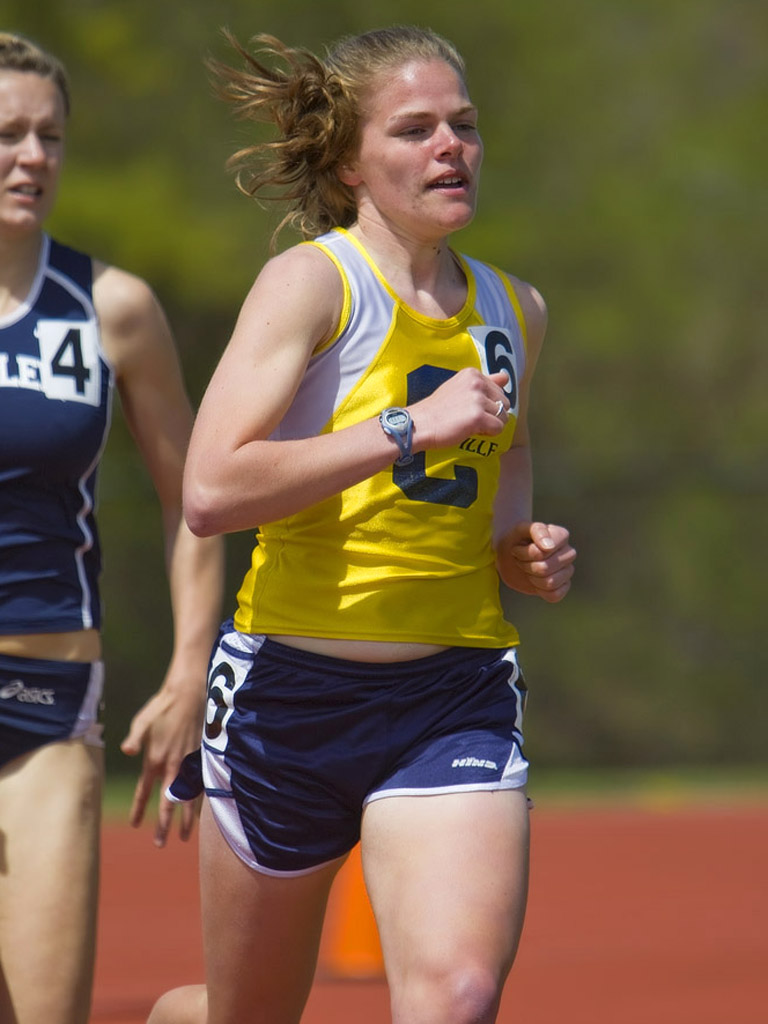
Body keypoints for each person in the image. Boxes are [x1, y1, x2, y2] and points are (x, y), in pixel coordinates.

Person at [149, 25, 576, 1024]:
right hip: (285, 699)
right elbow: (210, 490)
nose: (451, 148)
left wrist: (519, 549)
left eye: (463, 126)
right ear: (351, 162)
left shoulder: (517, 309)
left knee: (457, 993)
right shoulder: (314, 285)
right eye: (417, 129)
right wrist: (402, 428)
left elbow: (507, 448)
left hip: (452, 693)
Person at [0, 32, 224, 1024]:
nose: (33, 156)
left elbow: (198, 500)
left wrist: (188, 673)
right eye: (7, 133)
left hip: (46, 699)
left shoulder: (111, 308)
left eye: (51, 136)